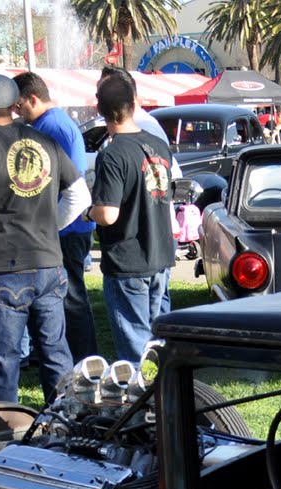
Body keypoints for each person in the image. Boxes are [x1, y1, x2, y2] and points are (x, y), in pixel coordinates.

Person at [0, 73, 89, 404]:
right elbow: (79, 196)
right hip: (49, 263)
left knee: (3, 360)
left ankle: (5, 434)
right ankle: (65, 426)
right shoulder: (44, 140)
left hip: (5, 267)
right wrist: (47, 227)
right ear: (13, 103)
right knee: (56, 354)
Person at [88, 74, 175, 364]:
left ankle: (144, 405)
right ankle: (167, 397)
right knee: (161, 343)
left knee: (136, 348)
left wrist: (86, 210)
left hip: (128, 261)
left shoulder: (112, 155)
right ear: (134, 103)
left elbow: (107, 214)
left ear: (99, 110)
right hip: (160, 256)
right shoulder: (158, 145)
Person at [14, 72, 99, 363]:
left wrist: (51, 226)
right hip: (63, 227)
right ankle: (52, 353)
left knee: (72, 297)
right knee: (57, 297)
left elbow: (72, 183)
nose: (17, 111)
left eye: (19, 105)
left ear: (33, 98)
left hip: (68, 227)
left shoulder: (52, 127)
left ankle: (85, 360)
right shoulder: (48, 124)